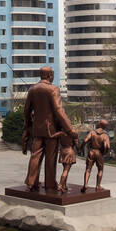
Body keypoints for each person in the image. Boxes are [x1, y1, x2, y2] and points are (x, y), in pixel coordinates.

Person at [22, 65, 75, 193]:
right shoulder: (53, 89)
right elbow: (59, 111)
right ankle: (50, 184)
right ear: (50, 75)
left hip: (37, 129)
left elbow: (27, 110)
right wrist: (69, 129)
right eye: (52, 74)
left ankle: (31, 182)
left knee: (35, 155)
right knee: (50, 158)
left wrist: (28, 126)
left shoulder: (32, 89)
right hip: (51, 130)